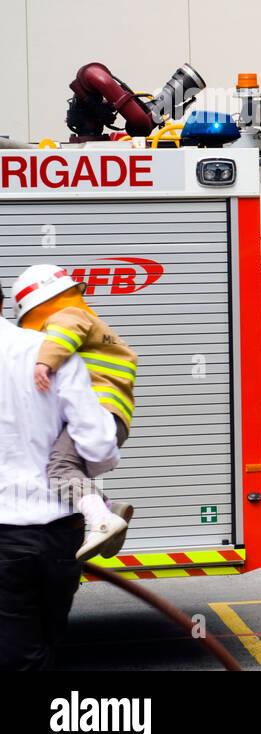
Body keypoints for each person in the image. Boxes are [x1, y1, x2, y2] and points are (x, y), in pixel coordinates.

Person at [0, 280, 119, 670]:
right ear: (2, 304)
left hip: (5, 538)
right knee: (47, 639)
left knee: (20, 653)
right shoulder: (51, 352)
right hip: (59, 533)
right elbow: (99, 446)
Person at [12, 264, 137, 560]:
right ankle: (107, 508)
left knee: (60, 469)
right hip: (112, 414)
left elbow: (62, 333)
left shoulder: (69, 315)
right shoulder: (89, 321)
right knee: (68, 469)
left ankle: (102, 520)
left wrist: (45, 363)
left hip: (102, 411)